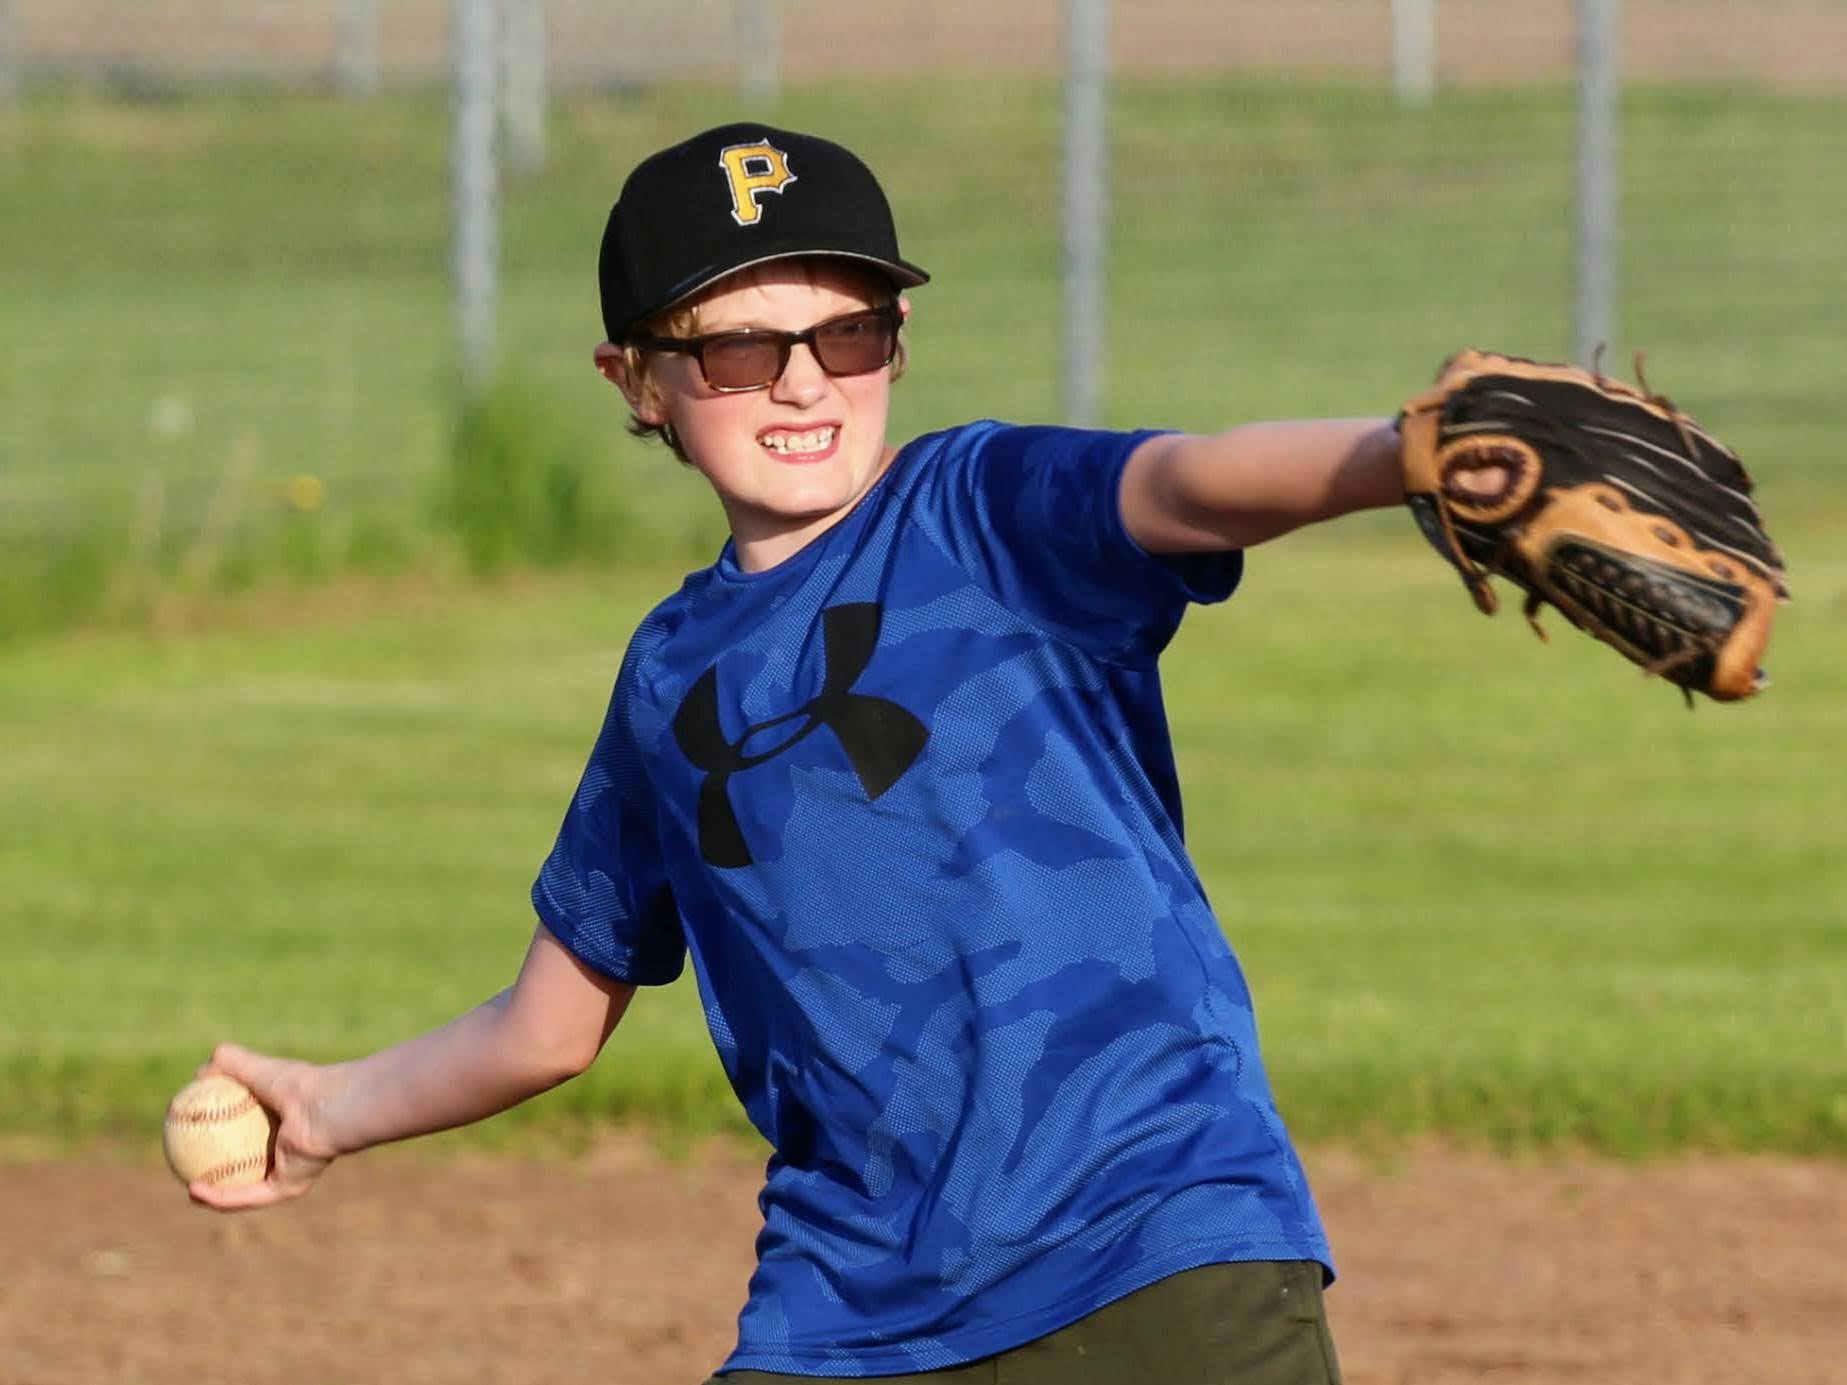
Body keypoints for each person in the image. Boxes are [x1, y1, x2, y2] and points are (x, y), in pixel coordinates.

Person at [193, 122, 1406, 1383]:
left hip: (1153, 1241)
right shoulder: (670, 678)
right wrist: (328, 1109)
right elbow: (547, 1024)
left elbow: (1190, 482)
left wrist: (1402, 454)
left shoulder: (980, 511)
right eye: (737, 347)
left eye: (849, 333)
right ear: (635, 381)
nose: (805, 382)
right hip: (844, 1307)